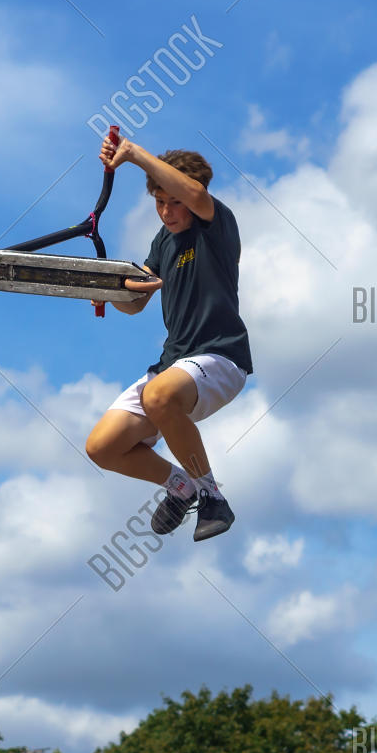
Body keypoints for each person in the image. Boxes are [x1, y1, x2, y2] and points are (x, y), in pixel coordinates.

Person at [84, 134, 252, 541]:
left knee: (157, 395)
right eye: (159, 202)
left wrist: (135, 154)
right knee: (102, 447)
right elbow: (135, 303)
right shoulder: (163, 241)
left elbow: (192, 191)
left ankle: (213, 498)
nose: (166, 211)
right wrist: (108, 291)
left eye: (173, 201)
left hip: (221, 357)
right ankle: (183, 487)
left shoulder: (216, 223)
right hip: (175, 363)